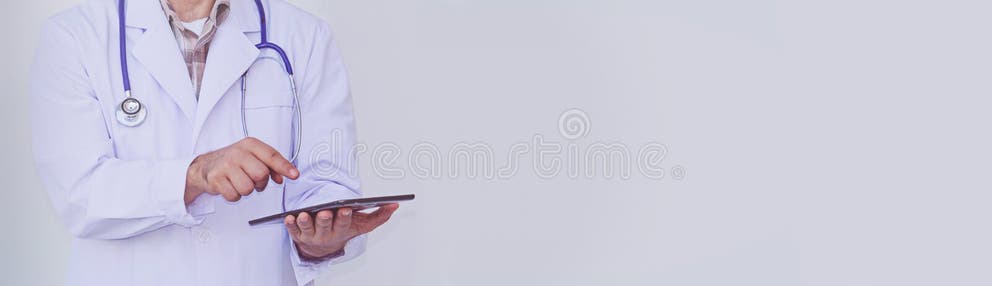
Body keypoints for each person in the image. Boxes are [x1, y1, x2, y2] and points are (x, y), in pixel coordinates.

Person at [29, 0, 398, 285]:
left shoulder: (304, 37)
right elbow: (79, 194)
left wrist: (321, 241)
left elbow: (325, 185)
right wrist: (194, 175)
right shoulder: (75, 37)